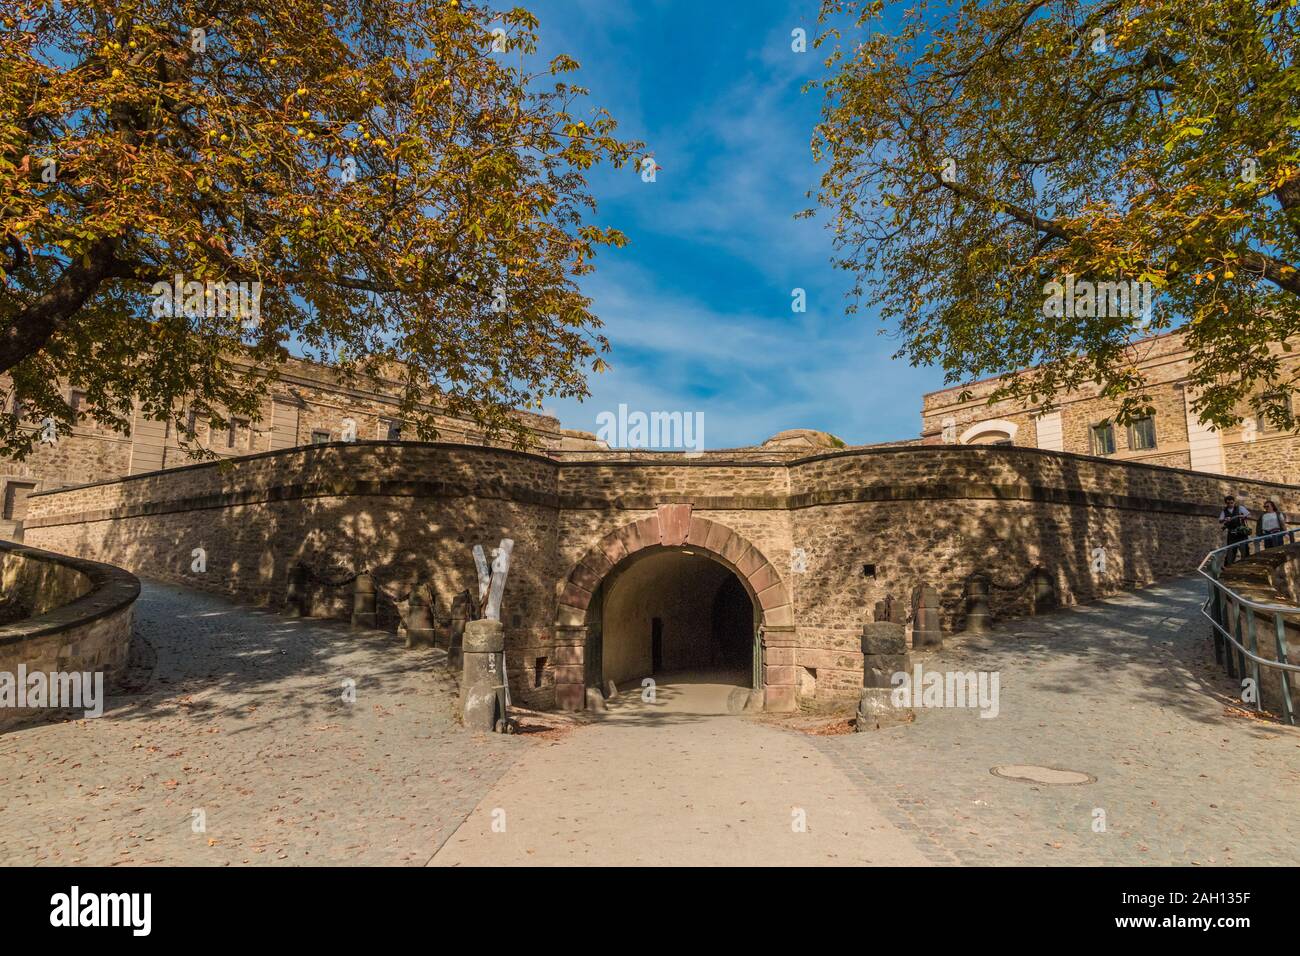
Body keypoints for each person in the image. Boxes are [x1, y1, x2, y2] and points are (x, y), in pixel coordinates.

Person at [1219, 494, 1251, 563]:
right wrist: (1225, 519)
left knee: (1244, 550)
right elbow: (1220, 520)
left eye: (1231, 503)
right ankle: (1228, 566)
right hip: (1232, 534)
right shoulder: (1224, 511)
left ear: (1234, 502)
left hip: (1241, 532)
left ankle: (1246, 564)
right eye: (1228, 503)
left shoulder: (1240, 508)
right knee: (1230, 551)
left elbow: (1248, 514)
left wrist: (1241, 516)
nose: (1230, 504)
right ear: (1226, 503)